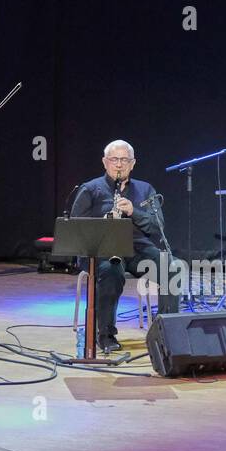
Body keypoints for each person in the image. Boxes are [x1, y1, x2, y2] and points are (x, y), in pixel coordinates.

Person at [69, 140, 179, 354]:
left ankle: (167, 332)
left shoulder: (145, 189)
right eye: (114, 159)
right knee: (111, 271)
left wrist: (133, 212)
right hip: (100, 251)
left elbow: (158, 226)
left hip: (136, 249)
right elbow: (75, 228)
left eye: (124, 160)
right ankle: (105, 334)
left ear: (133, 163)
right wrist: (104, 221)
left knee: (171, 269)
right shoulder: (90, 189)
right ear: (104, 162)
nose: (118, 165)